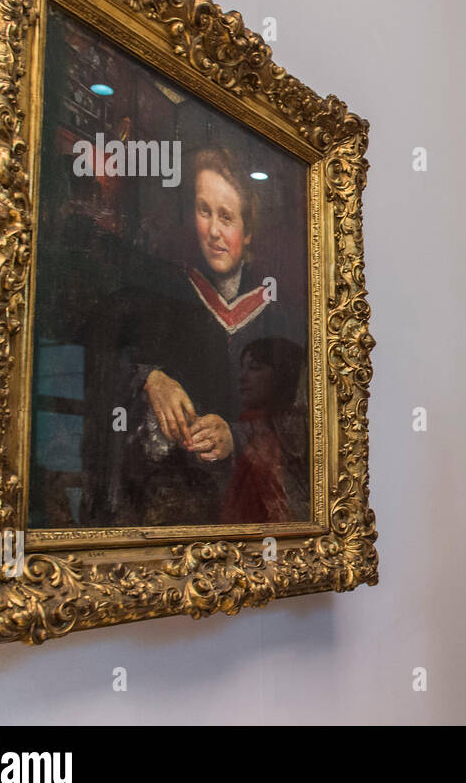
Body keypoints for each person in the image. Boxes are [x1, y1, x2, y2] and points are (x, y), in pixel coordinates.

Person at [81, 146, 301, 526]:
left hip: (240, 514)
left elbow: (300, 422)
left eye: (227, 217)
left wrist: (237, 437)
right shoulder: (164, 293)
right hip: (161, 508)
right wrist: (150, 380)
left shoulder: (276, 319)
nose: (213, 231)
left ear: (248, 232)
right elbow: (102, 359)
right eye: (204, 211)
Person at [222, 336, 309, 524]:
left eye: (254, 368)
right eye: (242, 367)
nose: (242, 376)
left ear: (282, 374)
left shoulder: (298, 428)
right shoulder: (247, 426)